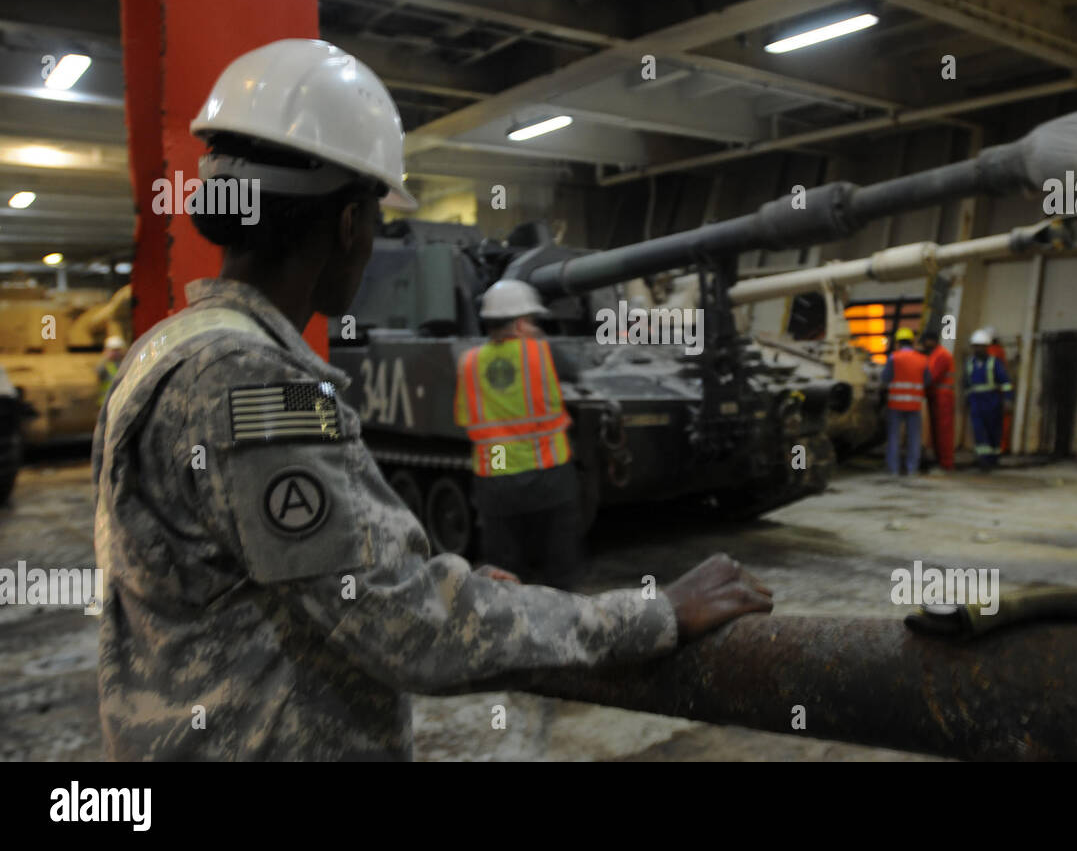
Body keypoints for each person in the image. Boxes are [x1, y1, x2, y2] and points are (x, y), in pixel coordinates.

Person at [91, 39, 773, 761]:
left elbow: (288, 582)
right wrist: (654, 614)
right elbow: (411, 630)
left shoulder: (161, 353)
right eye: (375, 220)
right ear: (350, 223)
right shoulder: (256, 383)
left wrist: (434, 582)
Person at [454, 279, 583, 589]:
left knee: (504, 573)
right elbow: (575, 374)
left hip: (497, 472)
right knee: (560, 571)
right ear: (523, 323)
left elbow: (464, 418)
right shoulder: (543, 353)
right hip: (547, 471)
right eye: (534, 321)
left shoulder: (469, 362)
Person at [881, 327, 930, 476]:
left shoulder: (894, 358)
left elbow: (885, 378)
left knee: (894, 438)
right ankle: (912, 468)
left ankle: (894, 469)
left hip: (895, 404)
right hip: (914, 404)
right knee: (914, 438)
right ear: (913, 342)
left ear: (898, 343)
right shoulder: (923, 359)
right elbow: (928, 380)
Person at [964, 328, 1012, 470]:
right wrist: (967, 399)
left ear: (986, 347)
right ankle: (983, 459)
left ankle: (993, 458)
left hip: (992, 401)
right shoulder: (969, 363)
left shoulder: (994, 362)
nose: (977, 349)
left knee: (993, 430)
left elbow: (1006, 383)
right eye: (975, 346)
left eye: (980, 346)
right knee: (979, 430)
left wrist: (1008, 400)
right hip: (976, 402)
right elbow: (966, 383)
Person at [920, 331, 954, 472]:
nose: (923, 345)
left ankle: (946, 463)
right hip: (936, 396)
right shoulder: (936, 354)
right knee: (936, 431)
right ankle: (940, 460)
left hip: (942, 396)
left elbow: (932, 376)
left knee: (943, 431)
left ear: (932, 341)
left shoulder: (941, 355)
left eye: (925, 342)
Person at [985, 327, 1013, 454]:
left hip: (992, 394)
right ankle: (1000, 447)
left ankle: (995, 448)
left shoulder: (991, 352)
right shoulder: (999, 351)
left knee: (992, 422)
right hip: (996, 393)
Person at [96, 335, 126, 406]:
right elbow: (98, 374)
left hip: (121, 401)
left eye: (117, 350)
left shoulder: (125, 363)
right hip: (106, 401)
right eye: (113, 350)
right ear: (106, 351)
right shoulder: (104, 365)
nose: (115, 353)